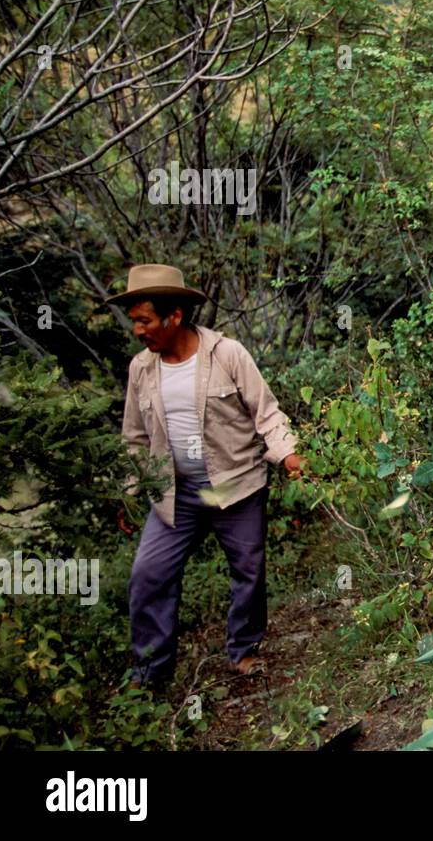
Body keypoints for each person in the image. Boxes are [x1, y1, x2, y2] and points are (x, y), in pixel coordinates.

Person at [108, 264, 303, 688]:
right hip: (174, 492)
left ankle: (244, 651)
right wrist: (130, 491)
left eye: (145, 320)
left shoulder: (227, 354)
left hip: (233, 484)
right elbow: (134, 439)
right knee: (148, 575)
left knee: (248, 569)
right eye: (135, 321)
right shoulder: (141, 369)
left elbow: (266, 413)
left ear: (174, 316)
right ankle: (149, 674)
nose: (138, 331)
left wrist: (289, 455)